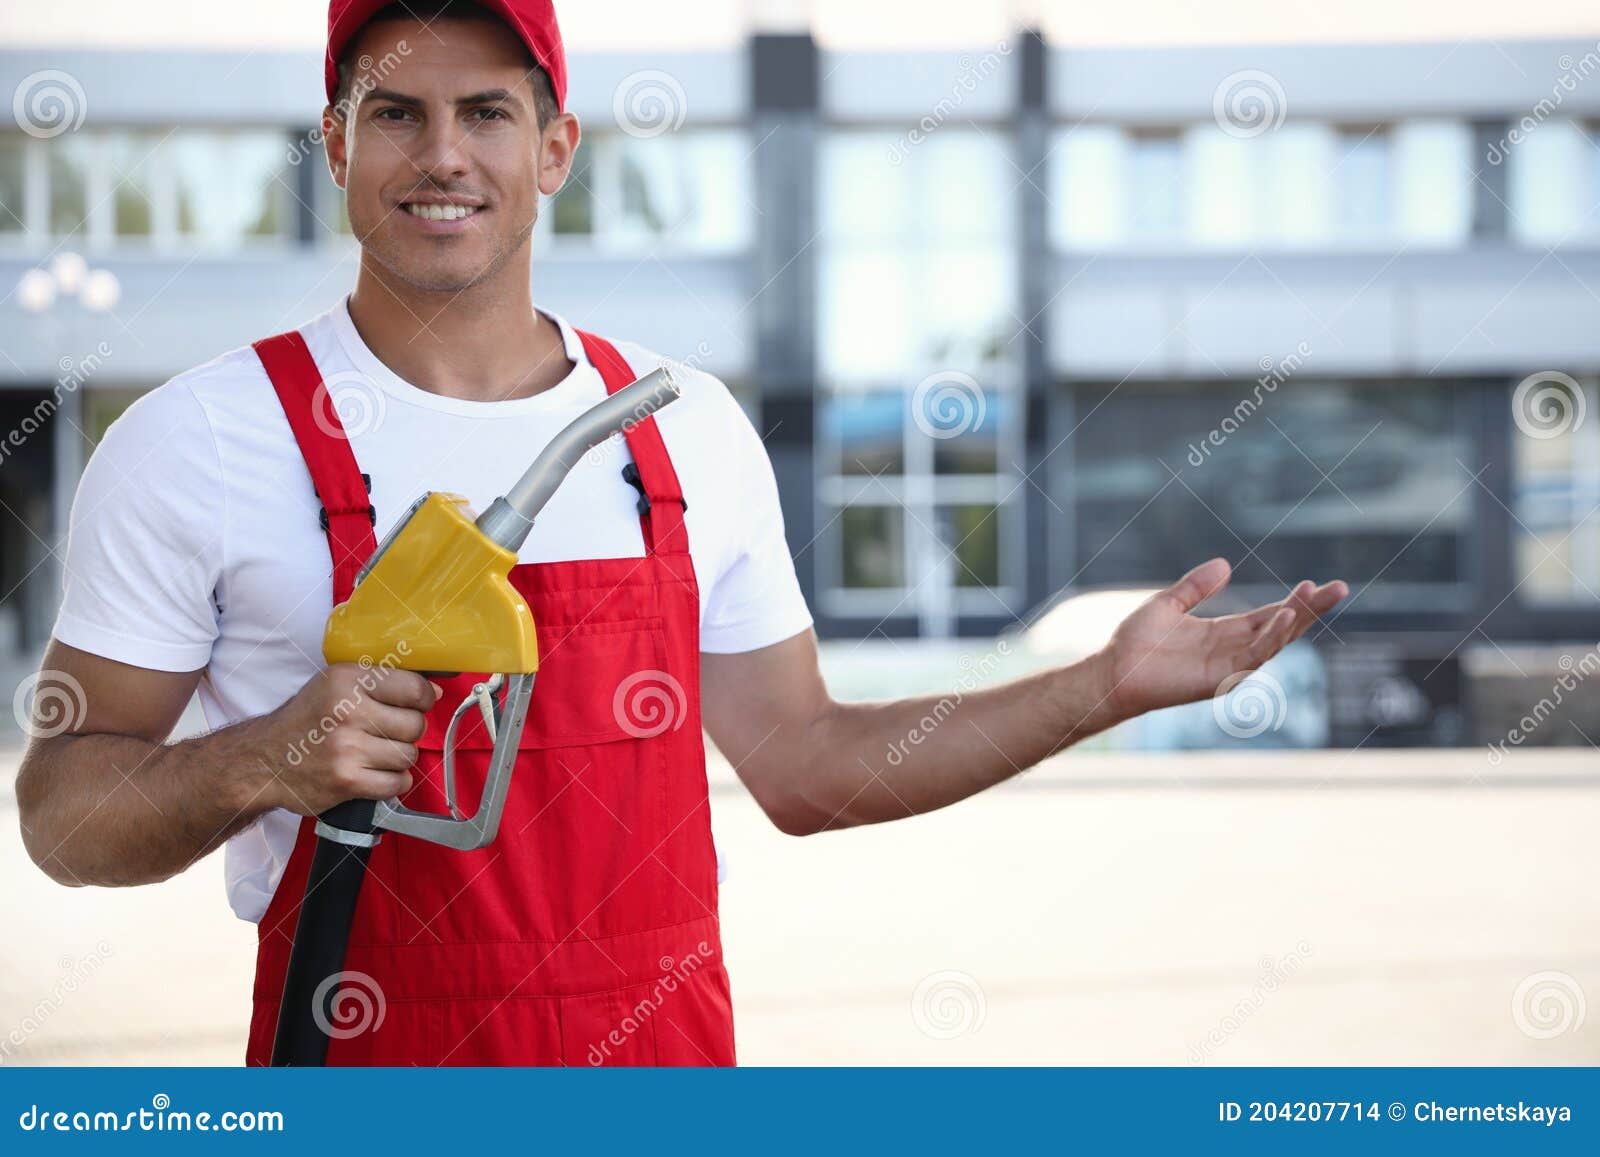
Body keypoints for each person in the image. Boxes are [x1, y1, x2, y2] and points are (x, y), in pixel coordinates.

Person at [15, 0, 1347, 1066]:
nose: (442, 156)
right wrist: (259, 756)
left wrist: (1099, 686)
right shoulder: (202, 441)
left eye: (488, 111)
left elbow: (810, 765)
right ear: (335, 146)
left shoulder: (684, 431)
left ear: (555, 150)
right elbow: (63, 817)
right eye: (396, 114)